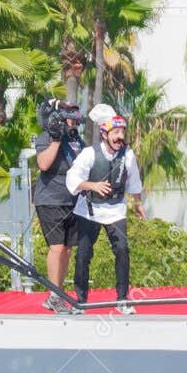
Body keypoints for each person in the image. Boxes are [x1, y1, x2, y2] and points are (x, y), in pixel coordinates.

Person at [67, 105, 143, 315]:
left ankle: (122, 298)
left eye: (122, 132)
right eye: (116, 133)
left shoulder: (128, 155)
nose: (120, 137)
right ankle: (81, 300)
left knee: (122, 250)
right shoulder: (89, 154)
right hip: (89, 210)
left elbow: (135, 183)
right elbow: (72, 178)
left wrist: (138, 204)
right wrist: (92, 186)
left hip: (116, 210)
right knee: (83, 254)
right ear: (104, 134)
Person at [32, 97, 84, 313]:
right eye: (66, 114)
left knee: (68, 249)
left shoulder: (77, 140)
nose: (71, 119)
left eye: (73, 114)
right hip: (50, 200)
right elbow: (43, 164)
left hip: (73, 200)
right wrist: (56, 139)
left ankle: (58, 293)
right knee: (57, 247)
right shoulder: (46, 137)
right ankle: (54, 294)